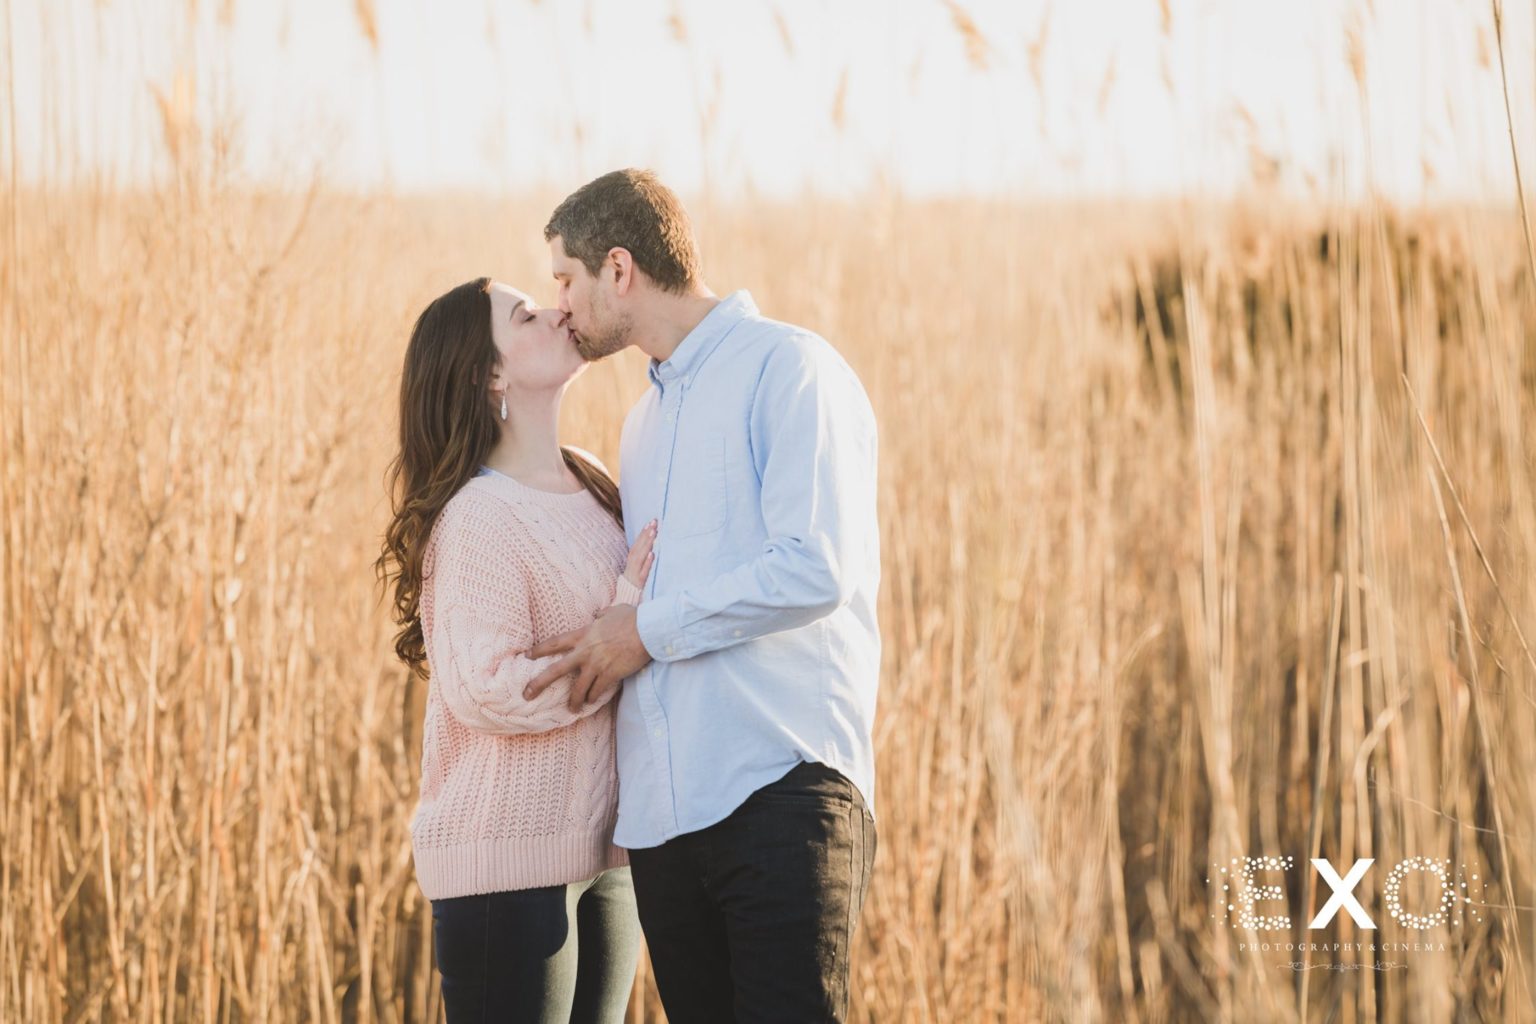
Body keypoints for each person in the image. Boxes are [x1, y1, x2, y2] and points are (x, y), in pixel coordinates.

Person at [523, 169, 882, 1023]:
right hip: (665, 830)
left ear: (619, 269)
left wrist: (645, 631)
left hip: (780, 791)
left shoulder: (788, 368)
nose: (560, 307)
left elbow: (816, 565)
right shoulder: (640, 428)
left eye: (566, 280)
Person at [375, 276, 657, 1023]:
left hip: (608, 855)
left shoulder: (595, 481)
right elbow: (489, 687)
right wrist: (621, 636)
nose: (556, 311)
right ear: (490, 375)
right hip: (506, 864)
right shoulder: (478, 516)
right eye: (526, 315)